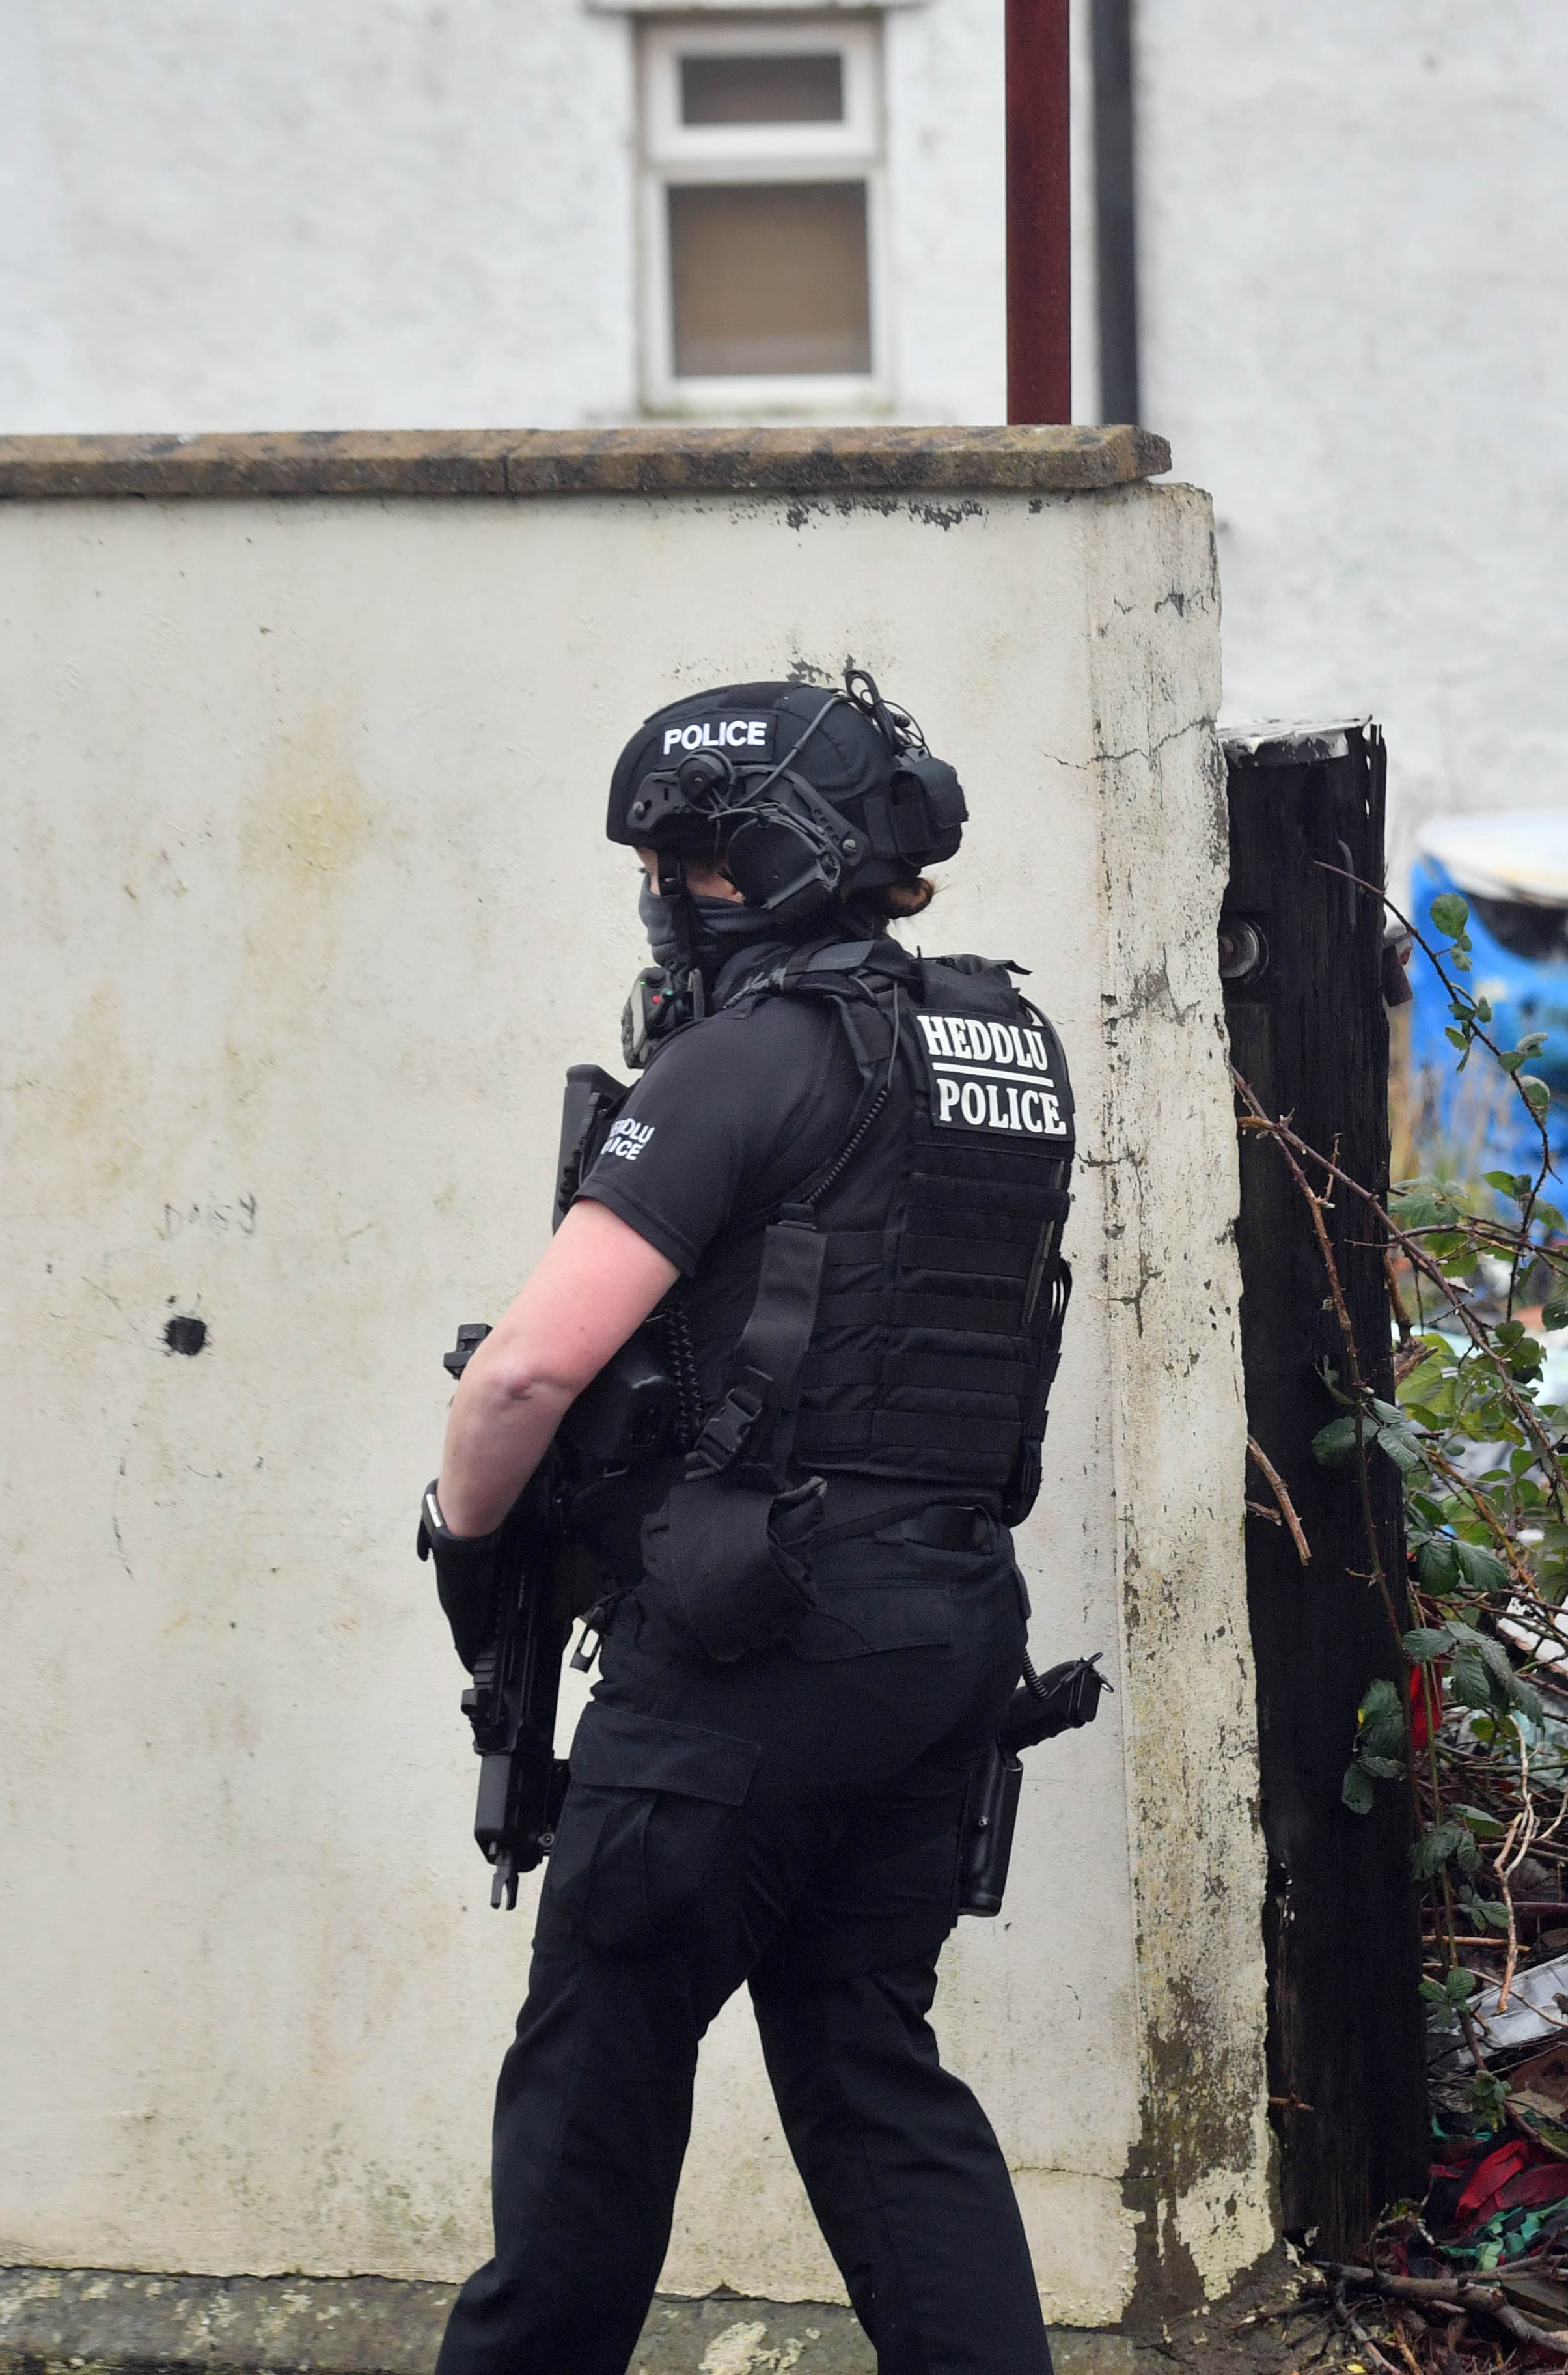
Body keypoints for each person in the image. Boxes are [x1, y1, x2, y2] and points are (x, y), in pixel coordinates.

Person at [419, 673, 1077, 2375]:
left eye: (688, 863)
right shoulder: (1000, 1047)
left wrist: (464, 1541)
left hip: (749, 1651)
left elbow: (525, 1372)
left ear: (773, 861)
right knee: (869, 2072)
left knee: (593, 2081)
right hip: (945, 1634)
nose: (667, 896)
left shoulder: (745, 1061)